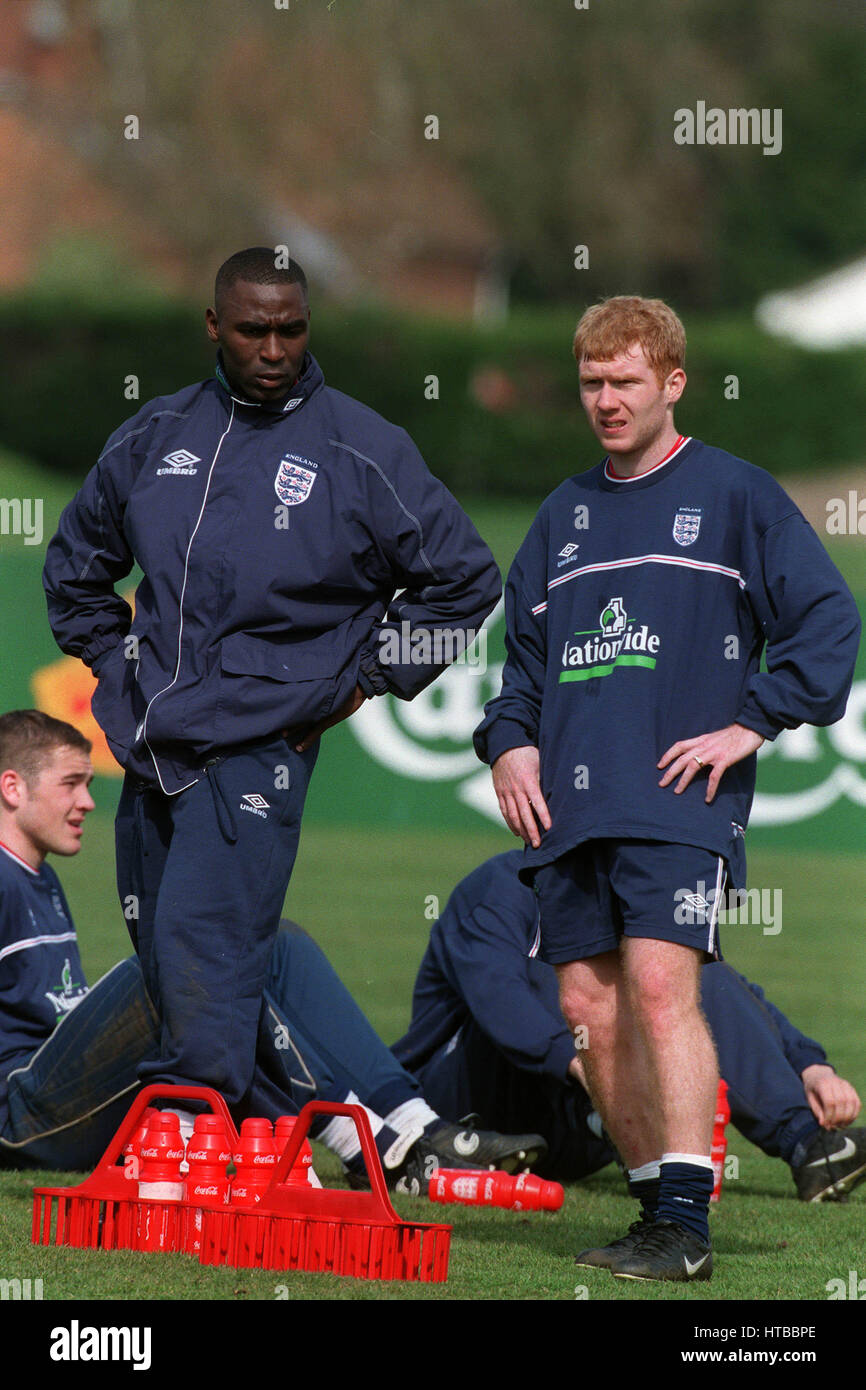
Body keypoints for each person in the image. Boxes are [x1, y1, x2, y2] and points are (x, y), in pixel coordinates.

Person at [42, 248, 501, 1120]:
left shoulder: (362, 448)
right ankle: (297, 1139)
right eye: (254, 328)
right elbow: (74, 574)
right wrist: (118, 668)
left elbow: (467, 580)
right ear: (215, 327)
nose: (274, 346)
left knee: (201, 944)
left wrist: (363, 681)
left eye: (291, 328)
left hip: (261, 747)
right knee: (171, 970)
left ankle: (187, 1155)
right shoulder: (152, 436)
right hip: (152, 753)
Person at [473, 296, 861, 1281]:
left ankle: (686, 1225)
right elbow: (520, 668)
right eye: (591, 384)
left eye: (625, 382)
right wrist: (508, 745)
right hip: (567, 807)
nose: (605, 400)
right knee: (588, 1009)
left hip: (678, 799)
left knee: (658, 984)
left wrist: (751, 719)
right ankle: (654, 1208)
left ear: (672, 382)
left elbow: (824, 624)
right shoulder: (558, 515)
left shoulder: (736, 496)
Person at [0, 710, 545, 1189]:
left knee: (270, 944)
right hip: (25, 1116)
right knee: (179, 962)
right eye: (71, 784)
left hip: (73, 1087)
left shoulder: (36, 875)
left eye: (89, 784)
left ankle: (412, 1121)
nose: (88, 802)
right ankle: (365, 1143)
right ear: (12, 788)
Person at [391, 851, 866, 1212]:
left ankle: (809, 1145)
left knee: (683, 967)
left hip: (573, 1132)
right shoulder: (497, 886)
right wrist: (612, 1080)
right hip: (460, 1113)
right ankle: (622, 1123)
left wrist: (810, 1065)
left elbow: (732, 991)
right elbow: (500, 1002)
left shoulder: (631, 885)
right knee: (564, 972)